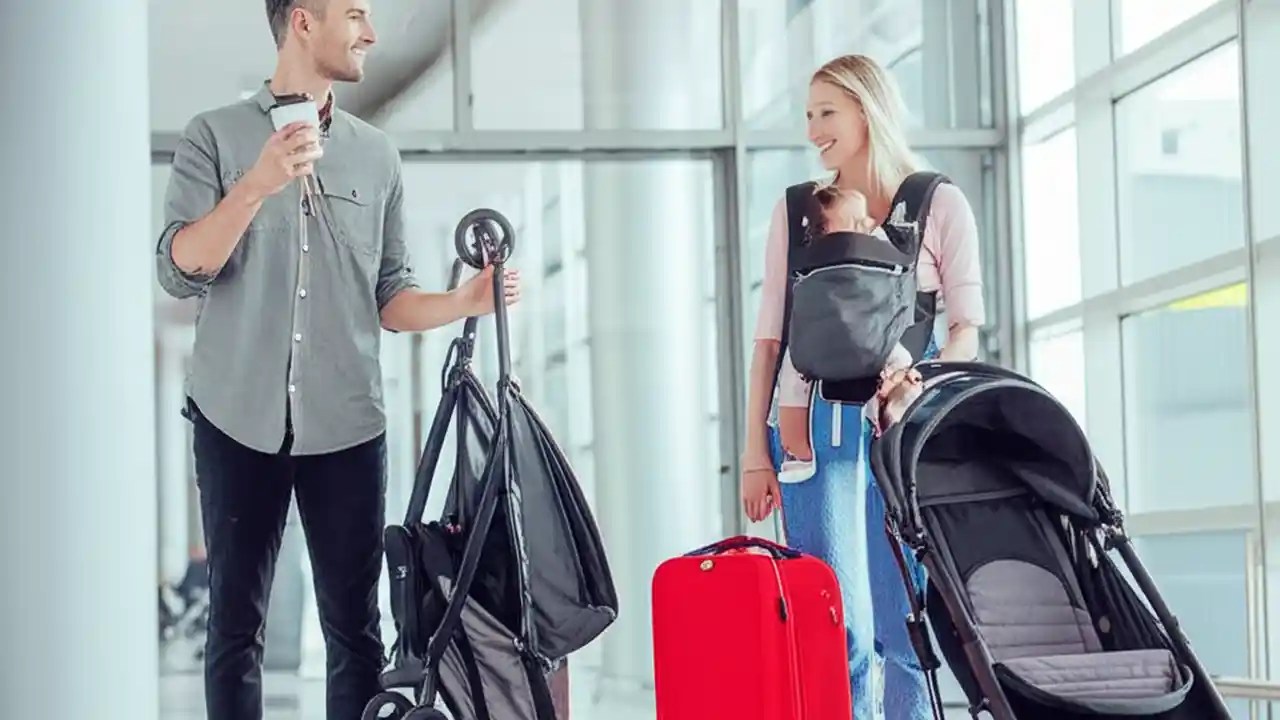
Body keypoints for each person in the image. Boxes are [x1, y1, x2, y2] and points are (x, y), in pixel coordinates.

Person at [154, 1, 520, 718]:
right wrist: (257, 183)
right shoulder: (215, 138)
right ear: (302, 22)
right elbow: (178, 268)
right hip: (233, 416)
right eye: (355, 13)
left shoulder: (375, 155)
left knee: (356, 630)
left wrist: (464, 301)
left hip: (347, 425)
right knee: (235, 628)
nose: (371, 34)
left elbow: (390, 295)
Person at [740, 54, 985, 719]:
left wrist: (922, 377)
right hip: (810, 431)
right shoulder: (799, 212)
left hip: (901, 430)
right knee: (830, 622)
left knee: (906, 623)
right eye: (809, 114)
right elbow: (770, 337)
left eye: (826, 112)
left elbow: (965, 325)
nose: (813, 130)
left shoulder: (937, 203)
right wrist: (754, 453)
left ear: (866, 109)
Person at [775, 183, 913, 464]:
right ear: (824, 235)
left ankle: (887, 403)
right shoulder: (807, 331)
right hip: (862, 352)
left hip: (865, 352)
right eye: (855, 223)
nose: (868, 226)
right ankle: (887, 402)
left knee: (902, 364)